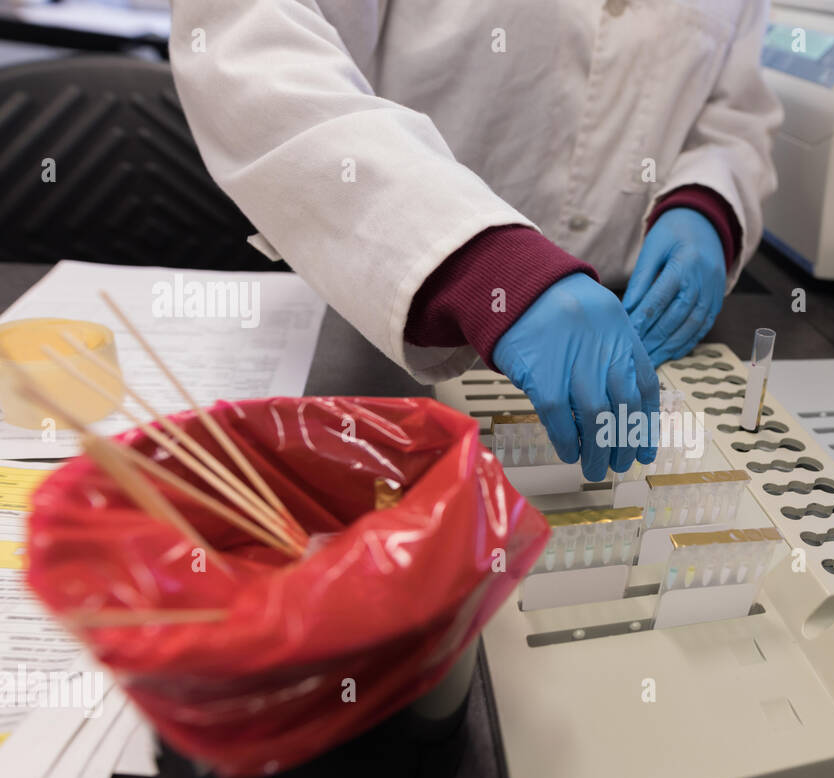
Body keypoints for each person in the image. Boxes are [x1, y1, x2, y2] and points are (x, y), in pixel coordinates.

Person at [169, 1, 782, 480]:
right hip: (399, 307)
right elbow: (255, 45)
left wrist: (706, 201)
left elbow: (735, 114)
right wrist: (477, 261)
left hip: (629, 326)